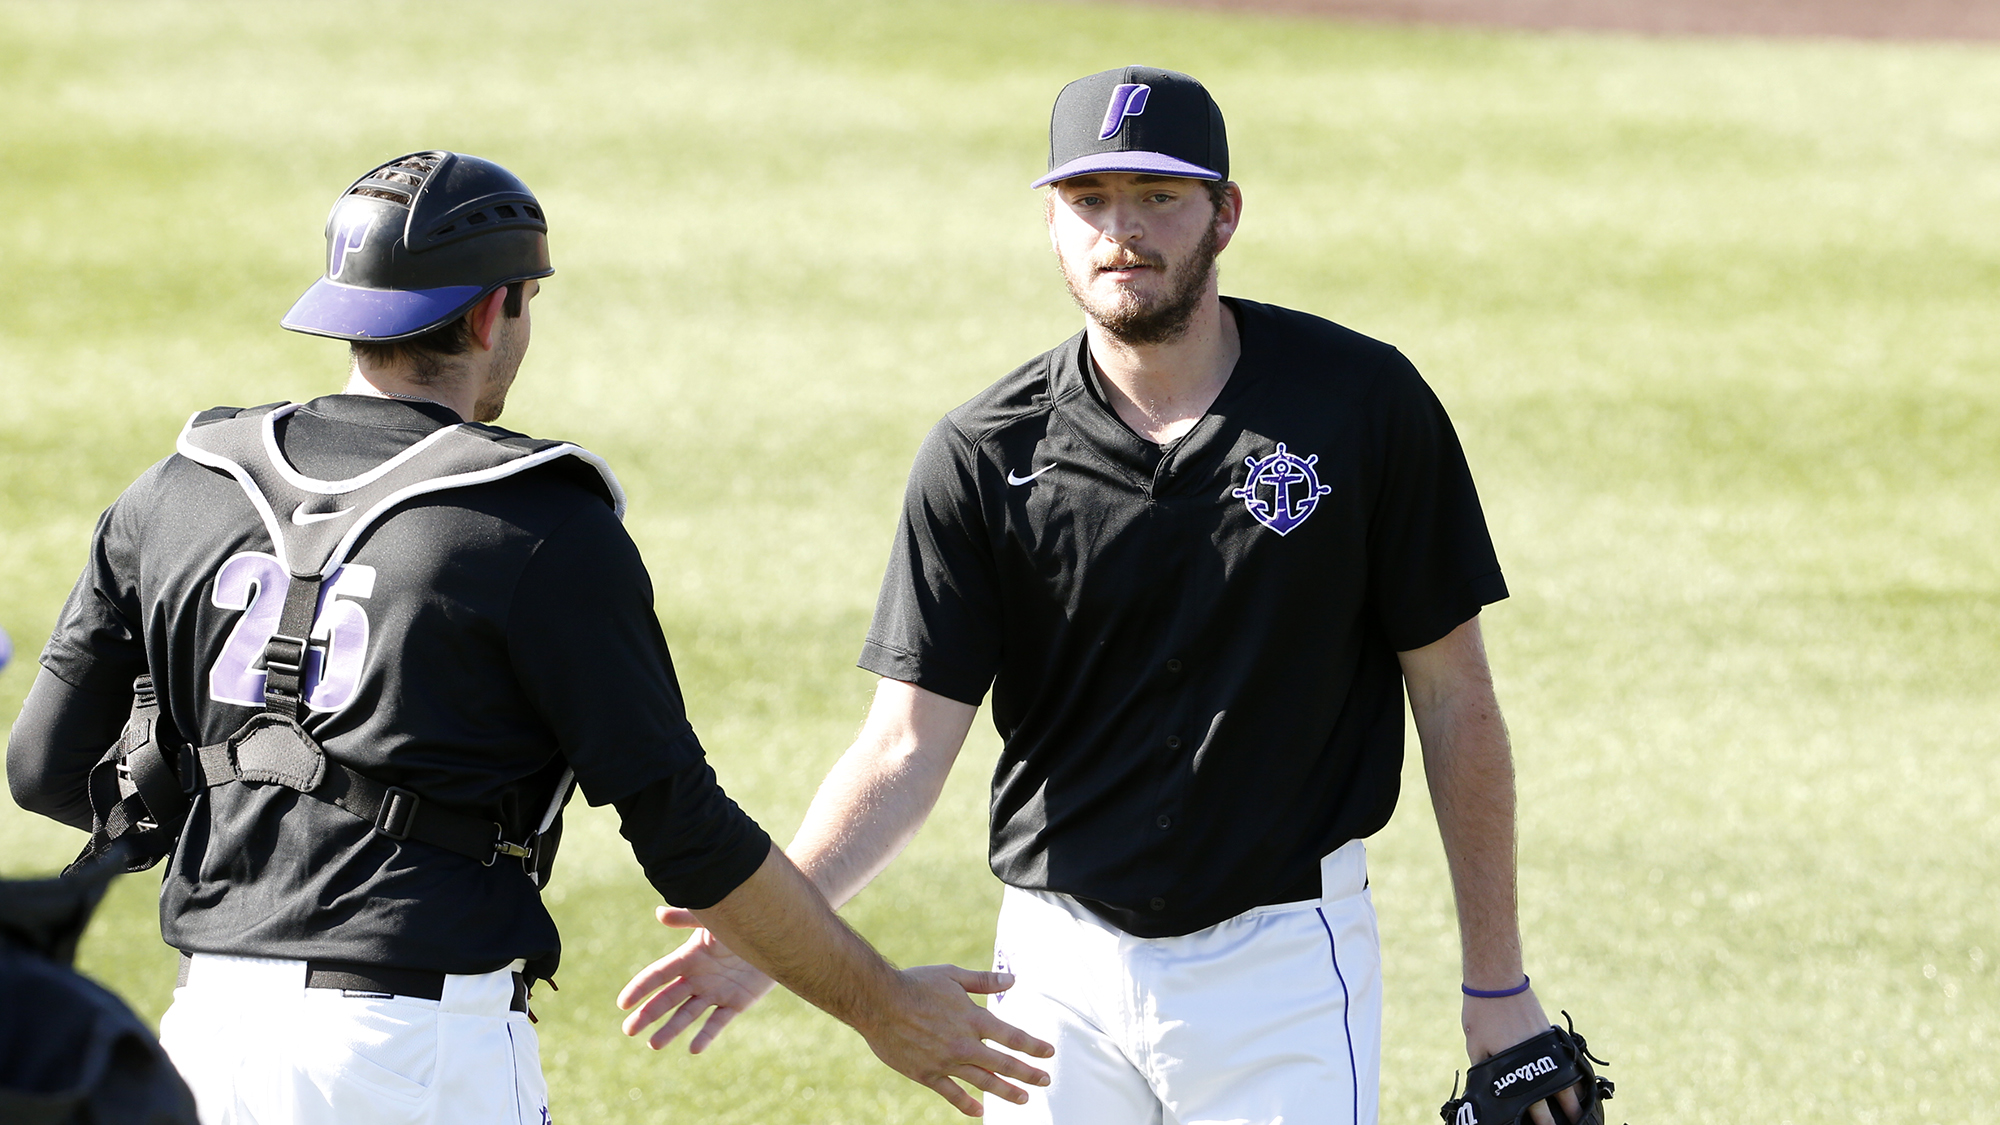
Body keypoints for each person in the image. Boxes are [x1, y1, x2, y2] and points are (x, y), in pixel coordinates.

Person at [619, 67, 1587, 1124]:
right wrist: (772, 932)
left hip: (1285, 966)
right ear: (1052, 223)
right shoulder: (983, 453)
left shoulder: (1361, 406)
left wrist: (1496, 986)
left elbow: (1452, 697)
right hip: (1054, 974)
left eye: (1158, 197)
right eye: (1089, 200)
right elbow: (902, 748)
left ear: (1225, 213)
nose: (1121, 231)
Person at [7, 150, 1049, 1125]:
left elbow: (43, 767)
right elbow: (682, 827)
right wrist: (881, 1004)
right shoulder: (533, 523)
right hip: (414, 1054)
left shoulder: (179, 486)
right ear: (491, 310)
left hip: (205, 1036)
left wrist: (240, 805)